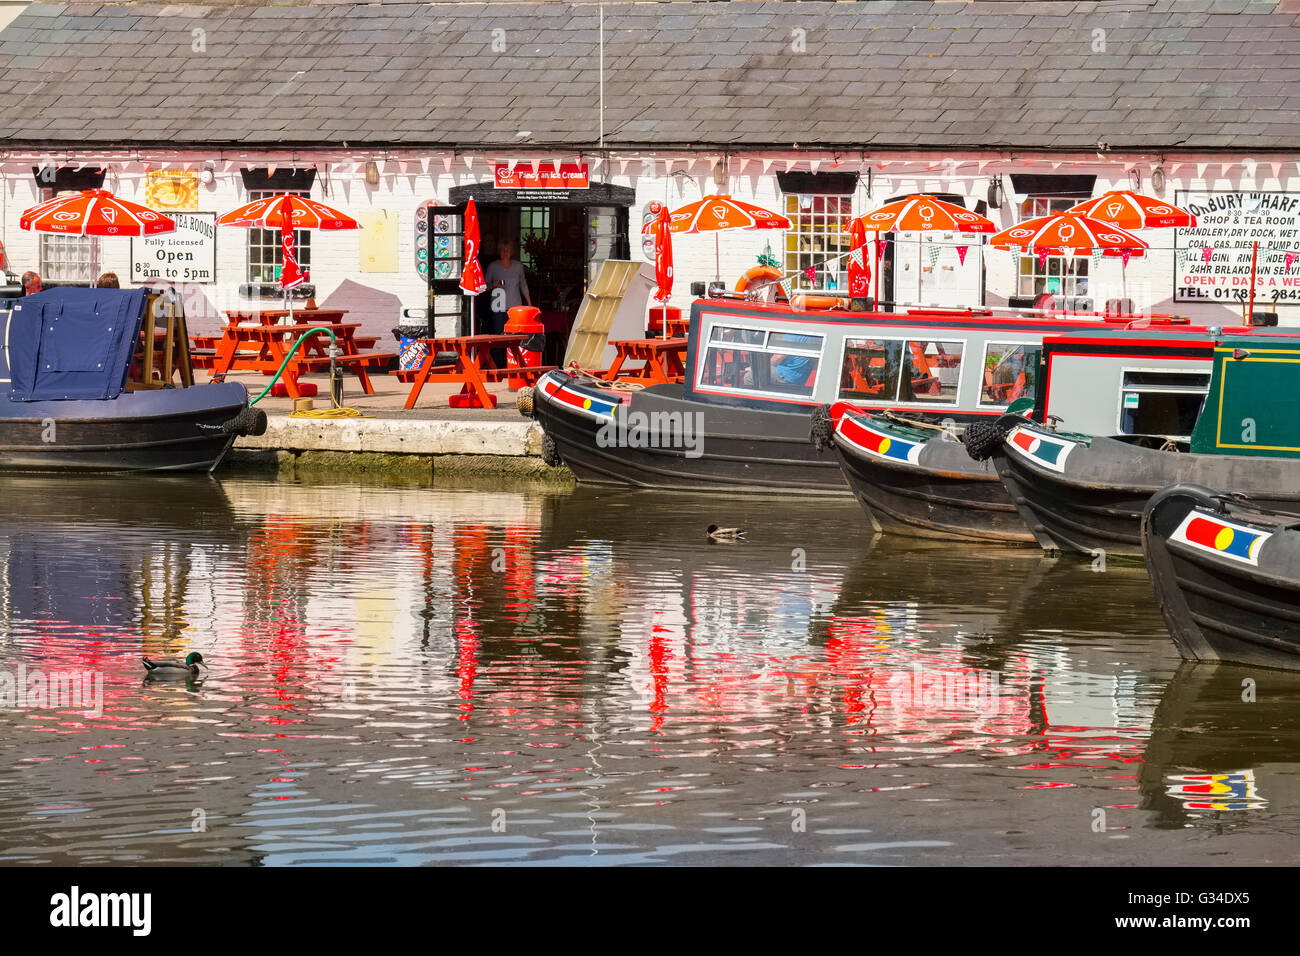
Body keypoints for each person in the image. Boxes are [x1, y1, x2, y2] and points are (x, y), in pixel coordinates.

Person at [484, 239, 531, 366]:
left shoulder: (518, 266)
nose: (505, 253)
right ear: (499, 252)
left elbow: (523, 285)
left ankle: (515, 363)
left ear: (512, 252)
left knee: (515, 337)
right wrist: (492, 285)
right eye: (502, 250)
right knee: (498, 337)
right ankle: (499, 365)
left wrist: (529, 304)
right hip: (498, 307)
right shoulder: (493, 266)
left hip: (515, 307)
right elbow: (483, 287)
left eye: (507, 250)